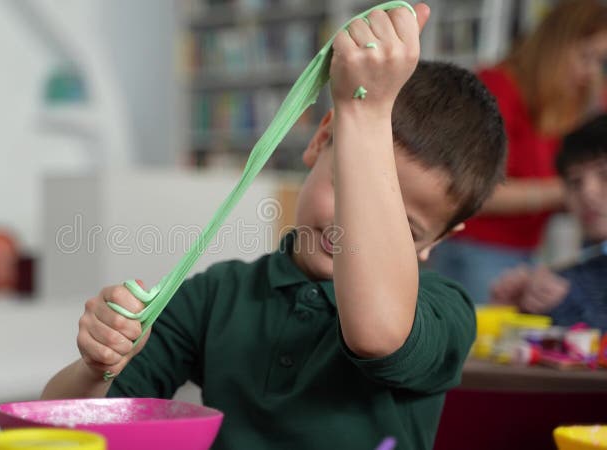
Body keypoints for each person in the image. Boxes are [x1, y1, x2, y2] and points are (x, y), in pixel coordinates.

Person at [43, 4, 507, 449]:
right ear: (321, 140)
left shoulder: (447, 311)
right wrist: (96, 366)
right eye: (350, 188)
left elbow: (378, 331)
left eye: (400, 229)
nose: (353, 231)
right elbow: (62, 426)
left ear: (438, 242)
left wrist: (365, 112)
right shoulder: (217, 294)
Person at [431, 0, 607, 302]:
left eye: (601, 63)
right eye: (586, 57)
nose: (591, 73)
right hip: (475, 248)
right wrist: (562, 191)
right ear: (556, 47)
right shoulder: (498, 88)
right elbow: (462, 188)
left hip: (528, 250)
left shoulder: (577, 100)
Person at [491, 114, 607, 330]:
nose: (587, 192)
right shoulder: (570, 276)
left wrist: (567, 307)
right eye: (575, 182)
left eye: (604, 175)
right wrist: (519, 310)